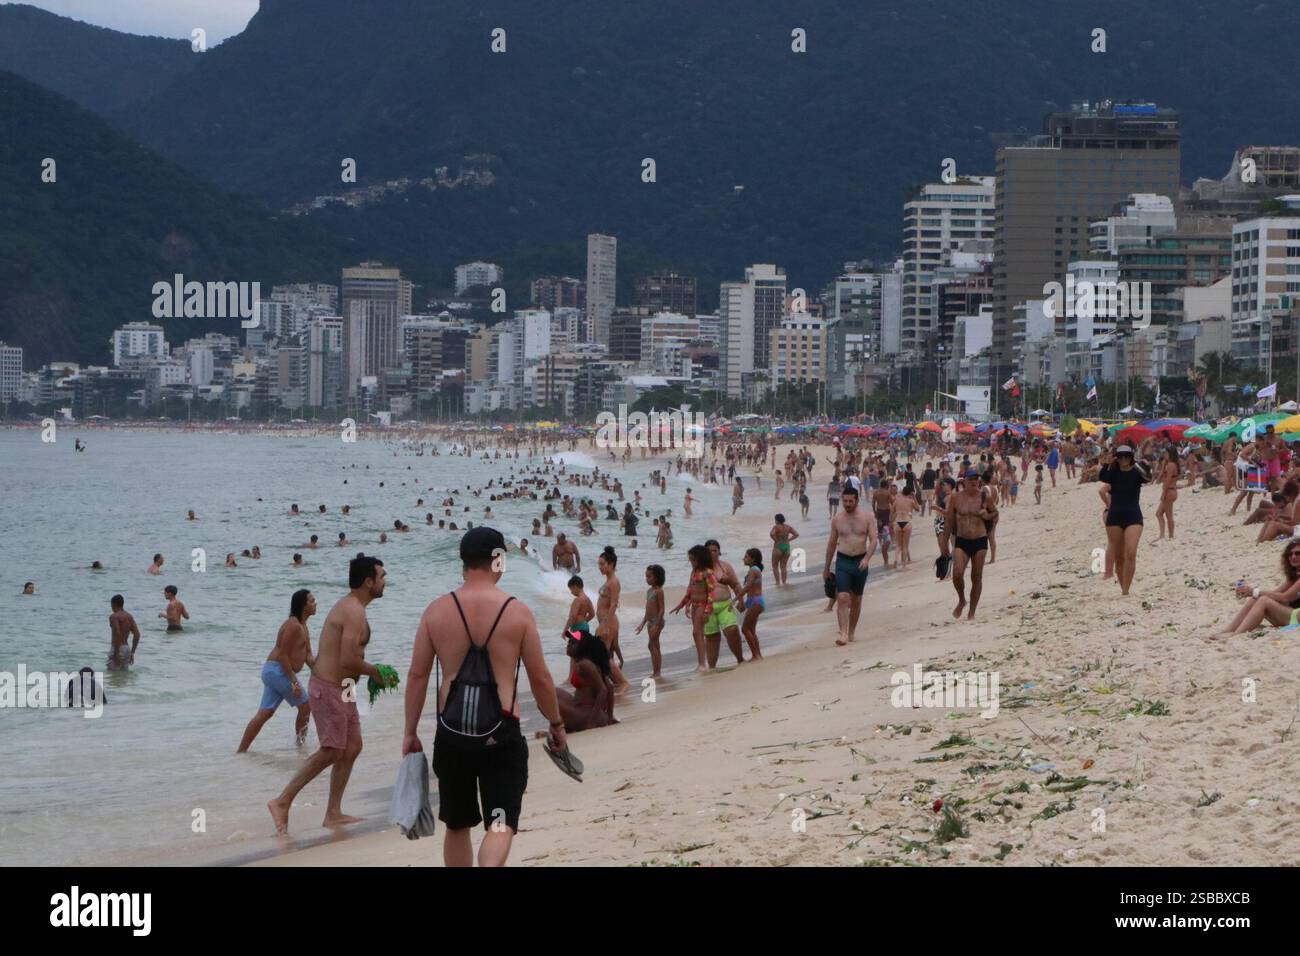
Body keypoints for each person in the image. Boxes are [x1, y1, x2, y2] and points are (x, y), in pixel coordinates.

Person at [402, 527, 567, 867]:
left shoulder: (436, 611)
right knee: (499, 820)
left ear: (463, 563)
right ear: (497, 560)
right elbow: (540, 678)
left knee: (458, 825)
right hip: (501, 732)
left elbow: (417, 676)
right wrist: (557, 723)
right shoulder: (517, 612)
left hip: (452, 733)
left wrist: (410, 731)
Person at [268, 554, 387, 835]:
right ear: (368, 582)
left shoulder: (356, 608)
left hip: (343, 688)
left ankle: (333, 813)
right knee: (332, 749)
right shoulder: (353, 611)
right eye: (382, 577)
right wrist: (375, 672)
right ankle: (282, 801)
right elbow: (347, 659)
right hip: (329, 687)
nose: (385, 582)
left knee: (353, 745)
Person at [238, 590, 316, 752]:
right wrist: (294, 681)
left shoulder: (303, 626)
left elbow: (308, 656)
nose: (315, 603)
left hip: (276, 672)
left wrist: (324, 673)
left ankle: (241, 751)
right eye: (311, 601)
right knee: (306, 705)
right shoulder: (293, 625)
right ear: (303, 605)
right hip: (277, 670)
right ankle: (300, 747)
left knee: (264, 714)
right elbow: (282, 655)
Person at [823, 481, 878, 646]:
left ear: (856, 500)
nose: (847, 504)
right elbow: (832, 544)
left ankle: (852, 631)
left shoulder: (867, 517)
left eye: (850, 501)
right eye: (845, 501)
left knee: (857, 600)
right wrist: (826, 568)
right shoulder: (837, 519)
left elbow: (874, 539)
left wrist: (867, 558)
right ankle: (843, 634)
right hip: (843, 561)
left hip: (860, 560)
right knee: (842, 597)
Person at [1211, 539, 1300, 638]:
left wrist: (1254, 591)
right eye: (1290, 554)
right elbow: (1275, 595)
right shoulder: (1293, 578)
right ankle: (1227, 631)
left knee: (1263, 600)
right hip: (1292, 615)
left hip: (1297, 617)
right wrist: (1250, 592)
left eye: (1297, 553)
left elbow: (1285, 597)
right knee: (1257, 598)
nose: (1293, 557)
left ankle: (1236, 635)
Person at [941, 471, 997, 620]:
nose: (973, 481)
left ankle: (972, 612)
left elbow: (995, 513)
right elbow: (949, 521)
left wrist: (987, 515)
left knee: (976, 576)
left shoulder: (985, 497)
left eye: (976, 479)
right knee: (957, 574)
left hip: (980, 540)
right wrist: (944, 542)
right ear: (964, 481)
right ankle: (962, 600)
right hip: (962, 540)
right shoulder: (956, 498)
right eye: (970, 479)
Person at [1100, 445, 1150, 596]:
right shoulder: (1113, 473)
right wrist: (1109, 462)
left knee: (1131, 552)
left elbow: (1148, 477)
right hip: (1115, 516)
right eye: (1120, 456)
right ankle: (1123, 589)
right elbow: (1102, 478)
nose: (1123, 459)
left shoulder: (1136, 472)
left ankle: (1126, 590)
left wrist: (1136, 463)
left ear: (1131, 457)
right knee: (1119, 556)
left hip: (1133, 515)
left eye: (1126, 456)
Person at [555, 631, 616, 732]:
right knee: (552, 693)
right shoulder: (584, 662)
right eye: (569, 642)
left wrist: (592, 722)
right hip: (583, 710)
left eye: (573, 643)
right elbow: (610, 687)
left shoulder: (585, 664)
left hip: (587, 715)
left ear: (583, 647)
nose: (569, 644)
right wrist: (609, 716)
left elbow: (604, 690)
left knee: (544, 699)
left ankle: (566, 728)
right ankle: (566, 727)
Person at [670, 544, 716, 672]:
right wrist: (683, 604)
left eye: (693, 560)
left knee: (697, 632)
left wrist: (708, 610)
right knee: (697, 634)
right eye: (690, 560)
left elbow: (712, 593)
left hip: (702, 605)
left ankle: (702, 663)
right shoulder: (694, 572)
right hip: (695, 605)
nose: (691, 562)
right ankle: (701, 662)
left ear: (700, 559)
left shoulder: (708, 573)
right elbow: (690, 590)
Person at [704, 540, 746, 666]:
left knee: (732, 630)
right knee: (712, 637)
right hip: (707, 608)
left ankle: (740, 659)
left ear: (719, 552)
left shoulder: (726, 566)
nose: (712, 553)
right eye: (709, 551)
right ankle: (712, 667)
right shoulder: (699, 569)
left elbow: (736, 585)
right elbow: (693, 589)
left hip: (725, 605)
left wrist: (741, 601)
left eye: (714, 550)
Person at [594, 547, 629, 690]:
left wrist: (605, 625)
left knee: (602, 655)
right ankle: (612, 682)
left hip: (609, 622)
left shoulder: (614, 582)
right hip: (604, 622)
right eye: (599, 564)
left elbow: (614, 603)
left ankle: (622, 682)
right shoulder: (608, 581)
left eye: (603, 564)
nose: (600, 567)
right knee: (604, 654)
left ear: (612, 564)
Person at [634, 564, 666, 679]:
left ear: (657, 577)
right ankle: (657, 671)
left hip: (657, 621)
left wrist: (657, 623)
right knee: (655, 645)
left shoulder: (659, 591)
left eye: (649, 577)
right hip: (650, 621)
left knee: (652, 645)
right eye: (646, 576)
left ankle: (657, 672)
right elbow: (647, 611)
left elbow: (662, 609)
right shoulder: (649, 591)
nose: (647, 579)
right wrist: (642, 624)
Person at [736, 548, 765, 660]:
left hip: (756, 601)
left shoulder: (753, 569)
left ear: (753, 559)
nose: (744, 558)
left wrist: (736, 599)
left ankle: (756, 655)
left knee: (745, 628)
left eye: (746, 556)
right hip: (754, 601)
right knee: (751, 629)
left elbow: (747, 587)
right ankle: (758, 654)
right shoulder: (753, 569)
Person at [108, 594, 140, 670]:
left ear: (114, 604)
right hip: (126, 649)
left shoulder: (114, 616)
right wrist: (132, 653)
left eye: (111, 605)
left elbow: (117, 633)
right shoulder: (129, 616)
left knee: (112, 675)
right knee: (123, 677)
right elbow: (137, 635)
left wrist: (116, 653)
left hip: (117, 648)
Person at [1154, 447, 1180, 541]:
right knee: (1158, 513)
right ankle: (1162, 535)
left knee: (1169, 515)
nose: (1164, 455)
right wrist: (1163, 466)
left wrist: (1163, 493)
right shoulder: (1172, 464)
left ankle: (1171, 536)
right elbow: (1159, 479)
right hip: (1171, 491)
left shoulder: (1171, 465)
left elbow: (1168, 480)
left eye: (1166, 453)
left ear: (1170, 454)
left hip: (1169, 491)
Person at [769, 514, 799, 587]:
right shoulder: (788, 527)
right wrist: (789, 540)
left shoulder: (776, 527)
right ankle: (784, 582)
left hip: (778, 546)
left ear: (777, 520)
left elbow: (771, 534)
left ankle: (777, 582)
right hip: (786, 547)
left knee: (775, 566)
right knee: (783, 566)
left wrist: (776, 540)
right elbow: (796, 534)